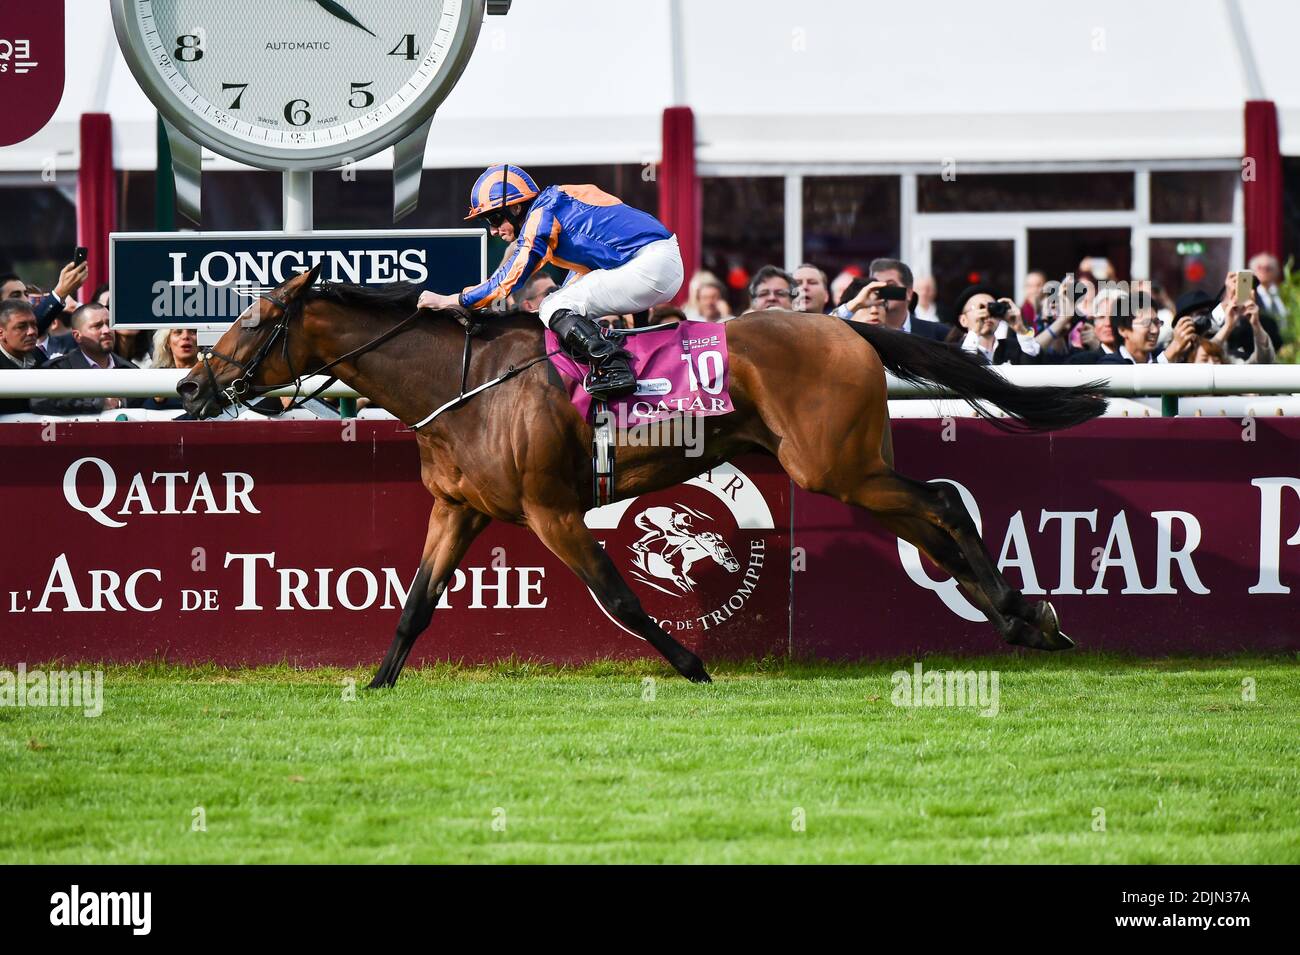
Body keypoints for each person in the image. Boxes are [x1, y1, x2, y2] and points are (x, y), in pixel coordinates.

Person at [416, 163, 682, 401]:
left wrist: (453, 299)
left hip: (652, 264)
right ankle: (632, 355)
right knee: (559, 302)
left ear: (517, 207)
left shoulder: (541, 216)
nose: (494, 230)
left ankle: (613, 366)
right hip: (656, 259)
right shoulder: (559, 201)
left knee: (552, 306)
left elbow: (507, 279)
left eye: (495, 218)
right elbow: (586, 271)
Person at [29, 303, 138, 416]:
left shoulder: (130, 370)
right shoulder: (59, 370)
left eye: (109, 324)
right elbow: (40, 401)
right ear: (77, 336)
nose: (106, 330)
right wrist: (98, 403)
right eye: (97, 326)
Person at [951, 285, 1040, 364]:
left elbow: (1034, 368)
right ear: (963, 320)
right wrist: (974, 333)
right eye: (981, 308)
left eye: (992, 308)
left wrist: (1021, 330)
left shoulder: (1014, 348)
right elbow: (961, 372)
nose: (987, 314)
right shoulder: (952, 352)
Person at [0, 299, 46, 415]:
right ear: (1, 333)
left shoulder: (38, 356)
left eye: (34, 325)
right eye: (21, 327)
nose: (31, 332)